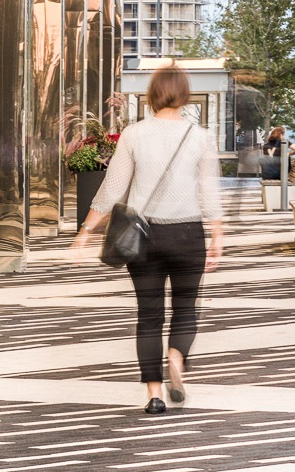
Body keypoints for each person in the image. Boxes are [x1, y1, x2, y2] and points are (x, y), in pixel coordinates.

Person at [67, 64, 224, 414]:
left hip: (144, 237)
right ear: (185, 95)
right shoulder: (201, 137)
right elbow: (208, 191)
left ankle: (154, 394)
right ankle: (176, 358)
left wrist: (86, 231)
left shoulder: (134, 134)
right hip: (187, 234)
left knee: (148, 315)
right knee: (185, 309)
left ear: (151, 95)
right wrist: (216, 234)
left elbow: (113, 189)